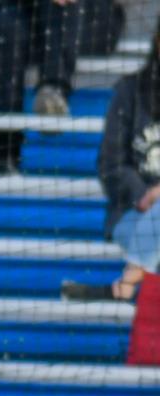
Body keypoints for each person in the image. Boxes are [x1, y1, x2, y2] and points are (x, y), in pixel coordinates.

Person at [70, 16, 160, 304]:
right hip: (132, 214)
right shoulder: (130, 91)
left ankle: (125, 285)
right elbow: (111, 164)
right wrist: (146, 195)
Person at [0, 0, 127, 175]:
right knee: (4, 25)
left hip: (89, 23)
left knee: (63, 6)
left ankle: (53, 90)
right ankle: (3, 153)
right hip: (29, 19)